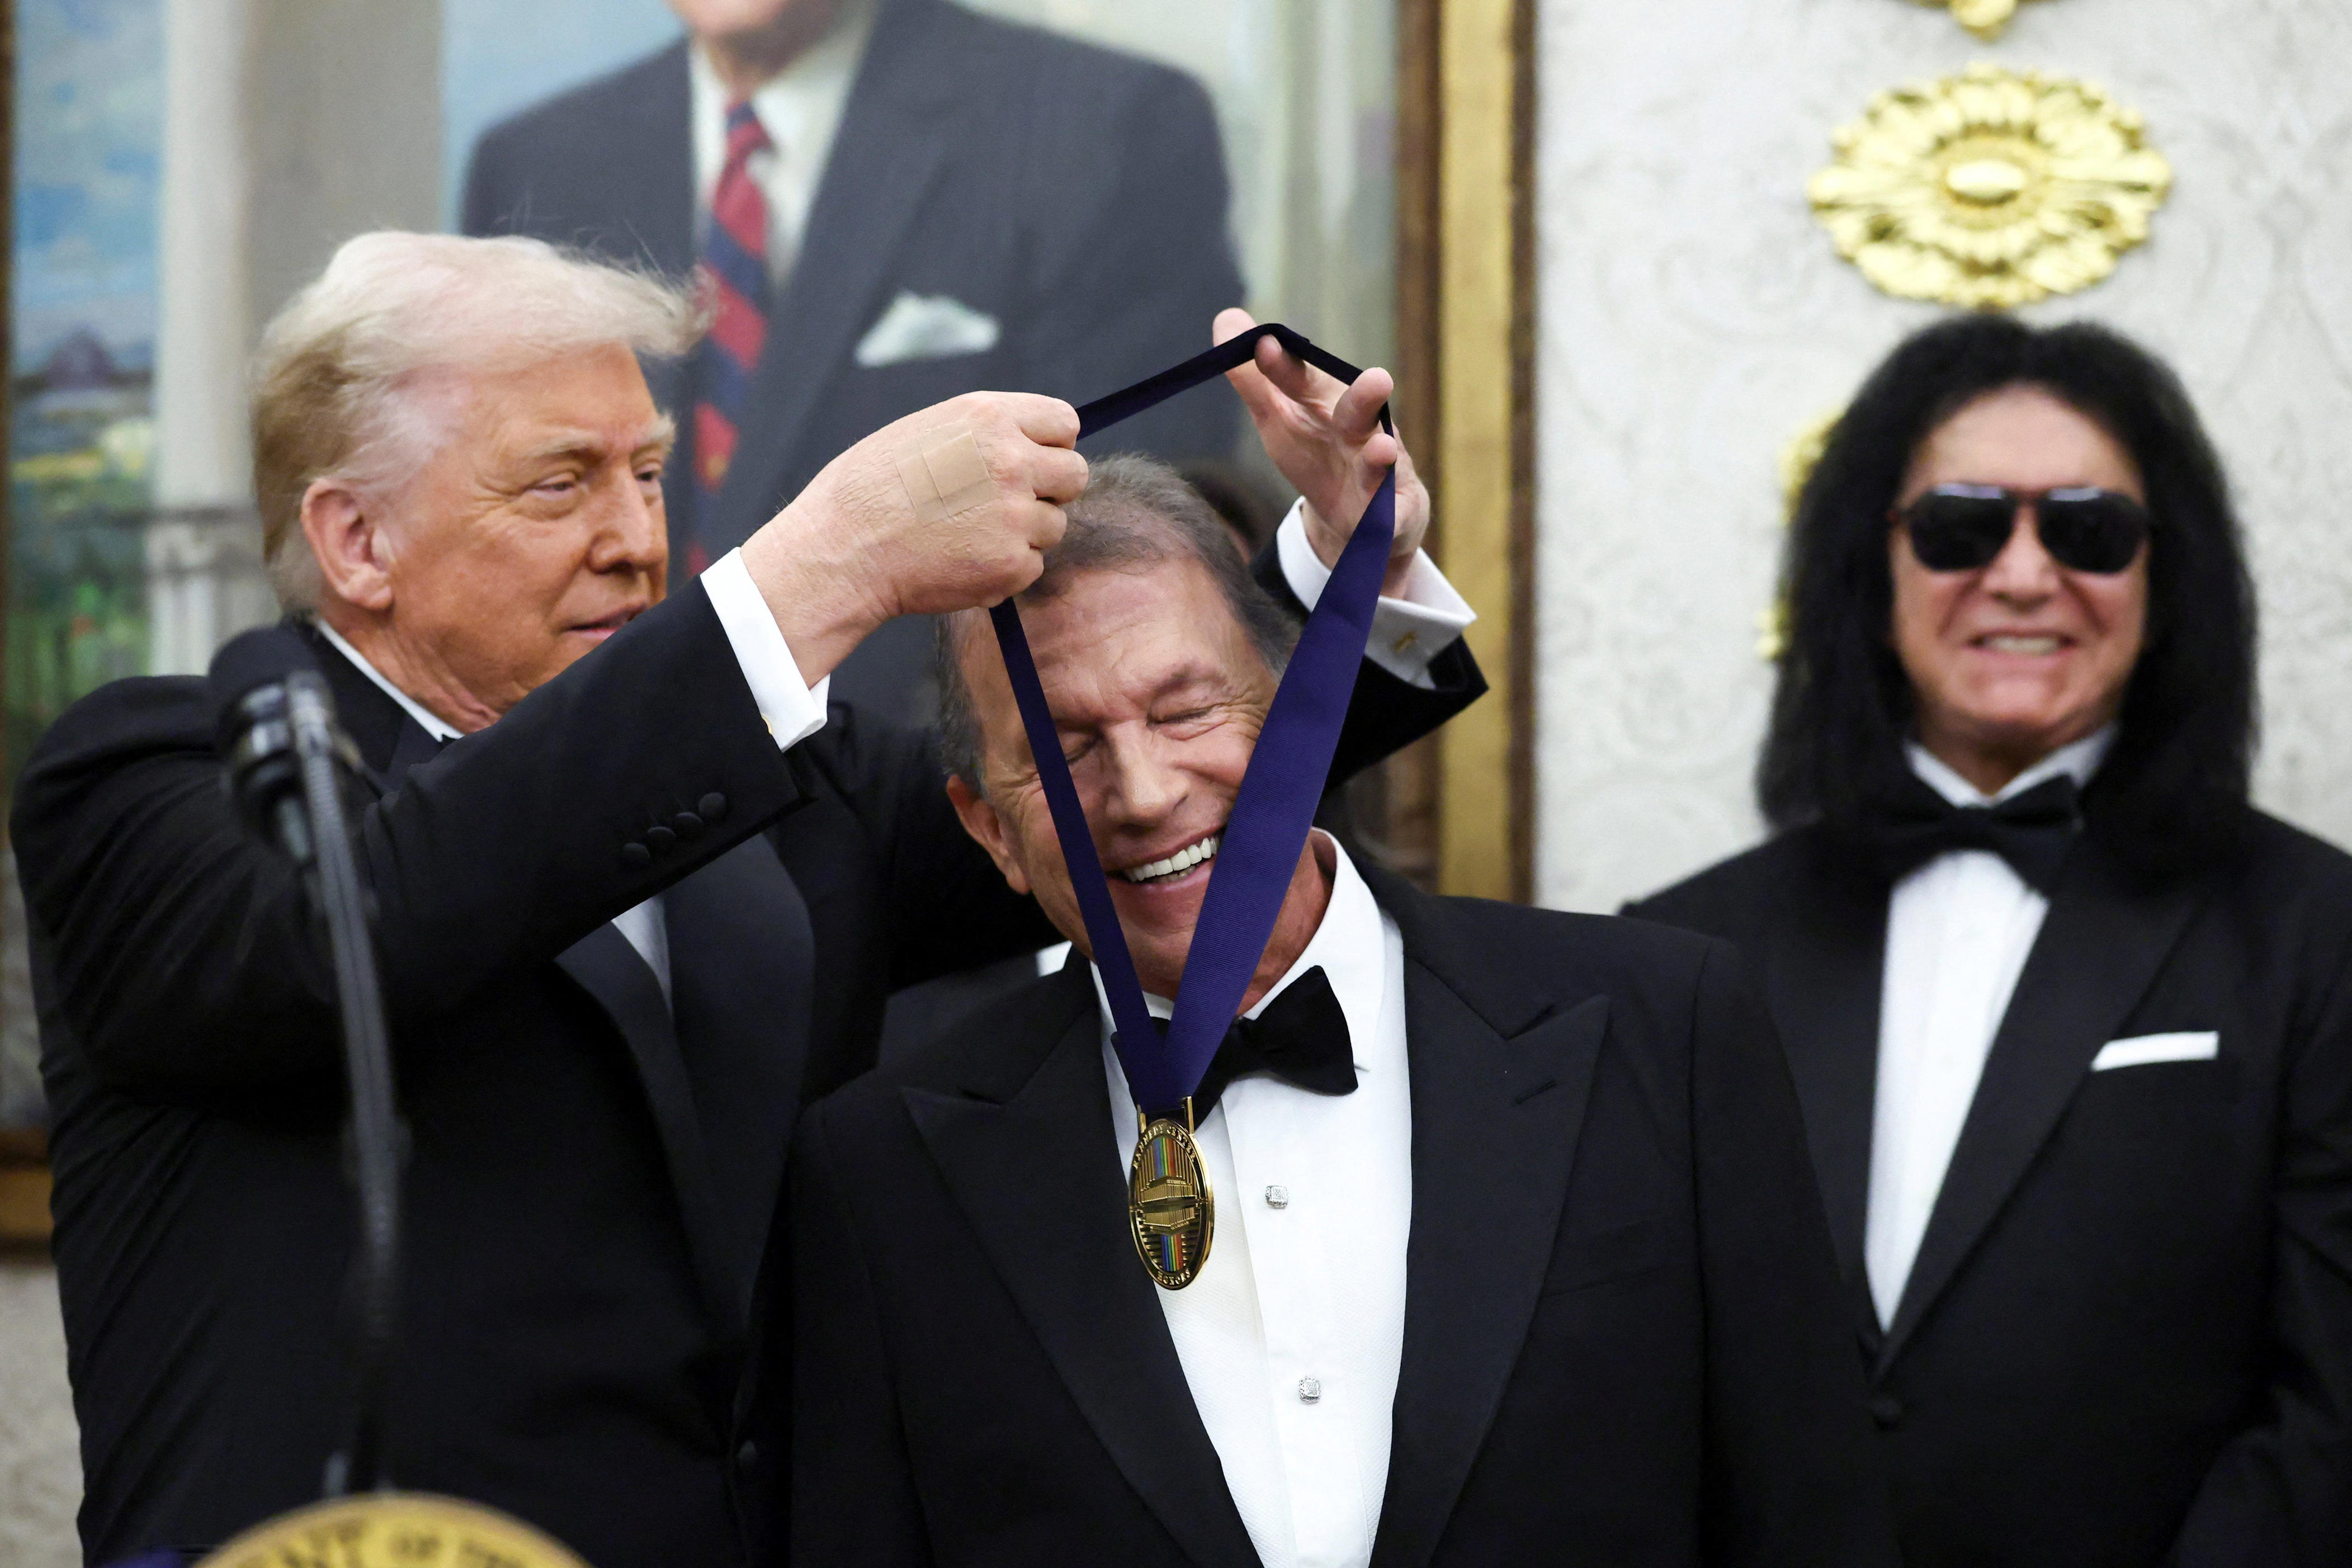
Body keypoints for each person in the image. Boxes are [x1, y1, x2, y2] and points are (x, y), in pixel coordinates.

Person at [12, 235, 1480, 1567]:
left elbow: (1135, 789)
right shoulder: (161, 777)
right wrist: (823, 564)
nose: (634, 537)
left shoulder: (779, 790)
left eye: (647, 474)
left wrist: (1346, 574)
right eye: (559, 481)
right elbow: (359, 922)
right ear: (354, 541)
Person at [777, 353, 1899, 1567]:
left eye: (1189, 709)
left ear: (1306, 704)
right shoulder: (881, 1175)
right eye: (1067, 750)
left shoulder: (1663, 1030)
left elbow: (1812, 1518)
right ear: (989, 827)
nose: (1145, 794)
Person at [1628, 315, 2352, 1567]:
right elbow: (1629, 1395)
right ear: (1874, 563)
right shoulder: (1688, 945)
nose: (2023, 575)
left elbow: (2330, 1413)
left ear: (2164, 579)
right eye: (1963, 525)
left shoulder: (2315, 930)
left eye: (2089, 529)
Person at [461, 0, 1245, 724]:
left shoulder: (1107, 129)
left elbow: (1134, 549)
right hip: (605, 818)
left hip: (932, 819)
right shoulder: (533, 164)